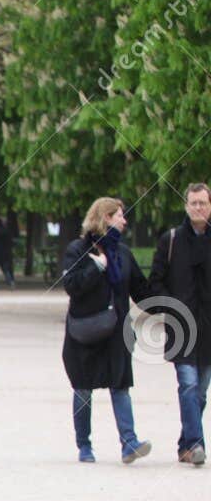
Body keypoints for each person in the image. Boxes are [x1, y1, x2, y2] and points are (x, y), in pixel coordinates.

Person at [61, 197, 152, 464]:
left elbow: (141, 290)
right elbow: (72, 285)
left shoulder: (122, 253)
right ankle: (84, 445)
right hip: (85, 331)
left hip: (117, 331)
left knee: (120, 385)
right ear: (105, 218)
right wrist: (97, 265)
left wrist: (169, 304)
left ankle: (129, 443)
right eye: (120, 216)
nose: (124, 220)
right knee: (83, 389)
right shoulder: (78, 250)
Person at [143, 183, 211, 466]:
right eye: (194, 203)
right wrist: (171, 306)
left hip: (209, 330)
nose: (198, 208)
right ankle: (196, 445)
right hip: (181, 328)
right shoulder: (170, 240)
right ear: (185, 206)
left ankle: (185, 445)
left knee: (200, 393)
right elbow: (155, 281)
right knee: (188, 386)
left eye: (203, 203)